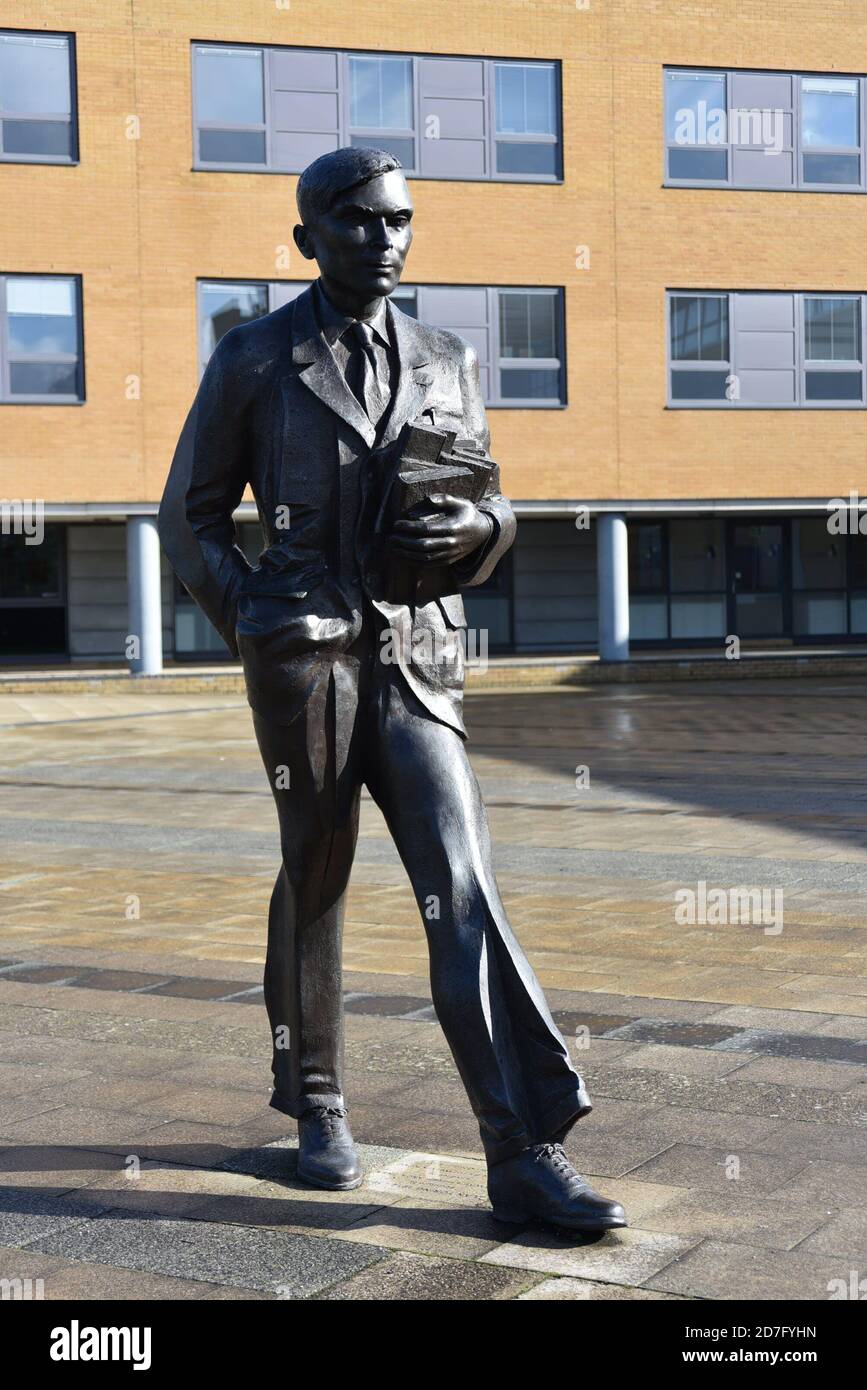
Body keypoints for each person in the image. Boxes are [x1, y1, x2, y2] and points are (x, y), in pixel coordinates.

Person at [159, 146, 625, 1232]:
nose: (387, 239)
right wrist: (254, 622)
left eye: (401, 220)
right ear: (308, 236)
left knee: (459, 884)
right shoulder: (256, 358)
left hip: (417, 661)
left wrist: (485, 533)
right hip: (304, 663)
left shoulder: (449, 355)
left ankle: (520, 1150)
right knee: (315, 875)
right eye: (361, 221)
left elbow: (490, 502)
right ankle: (316, 1104)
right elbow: (189, 513)